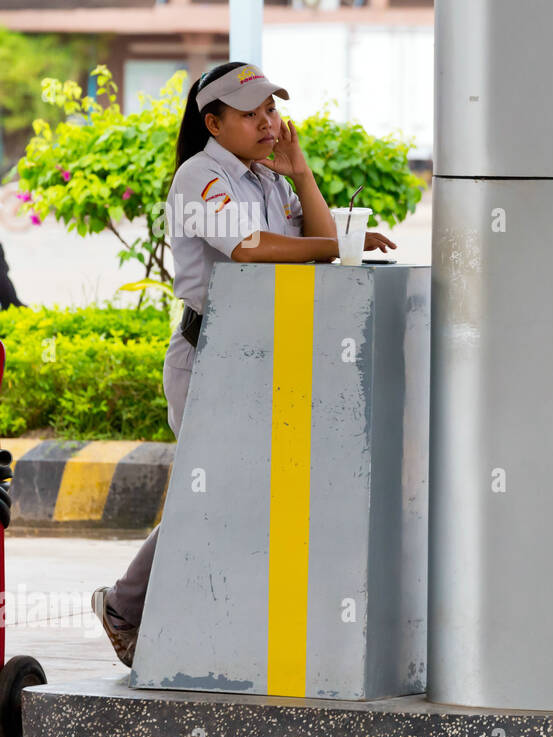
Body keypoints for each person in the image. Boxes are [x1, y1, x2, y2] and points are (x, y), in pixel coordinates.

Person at [91, 61, 397, 667]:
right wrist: (341, 245)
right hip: (208, 358)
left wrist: (301, 172)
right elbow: (252, 249)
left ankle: (212, 622)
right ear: (214, 122)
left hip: (263, 355)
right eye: (252, 113)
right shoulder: (200, 177)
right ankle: (125, 605)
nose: (268, 122)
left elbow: (315, 241)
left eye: (271, 110)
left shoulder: (266, 179)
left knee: (249, 497)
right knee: (213, 494)